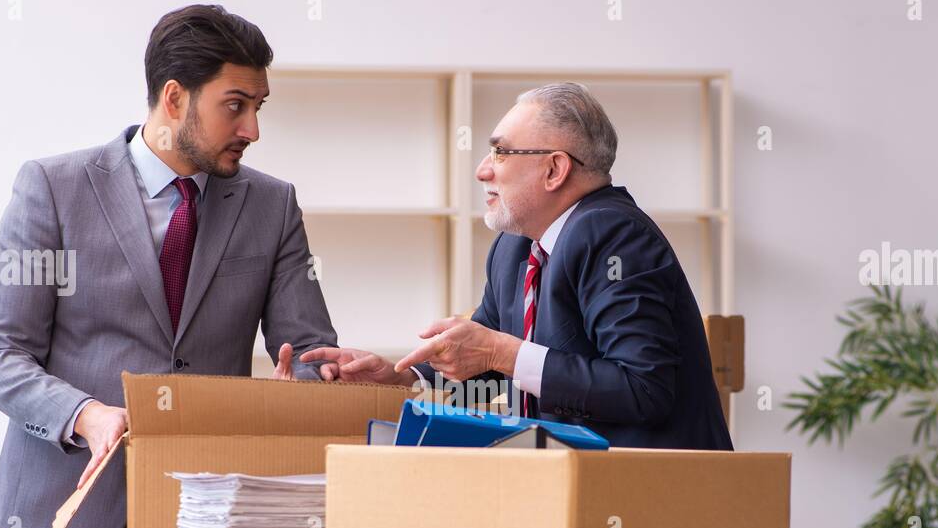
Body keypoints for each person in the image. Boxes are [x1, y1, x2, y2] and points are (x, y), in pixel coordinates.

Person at [0, 4, 338, 528]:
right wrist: (86, 414)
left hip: (208, 525)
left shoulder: (273, 204)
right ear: (175, 97)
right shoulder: (50, 189)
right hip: (65, 518)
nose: (253, 129)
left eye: (259, 106)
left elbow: (310, 351)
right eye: (236, 105)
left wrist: (304, 394)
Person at [302, 82, 732, 451]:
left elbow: (642, 390)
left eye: (501, 152)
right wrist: (406, 375)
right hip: (556, 487)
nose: (482, 170)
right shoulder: (513, 247)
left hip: (653, 499)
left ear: (555, 169)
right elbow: (489, 367)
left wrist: (499, 350)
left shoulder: (614, 235)